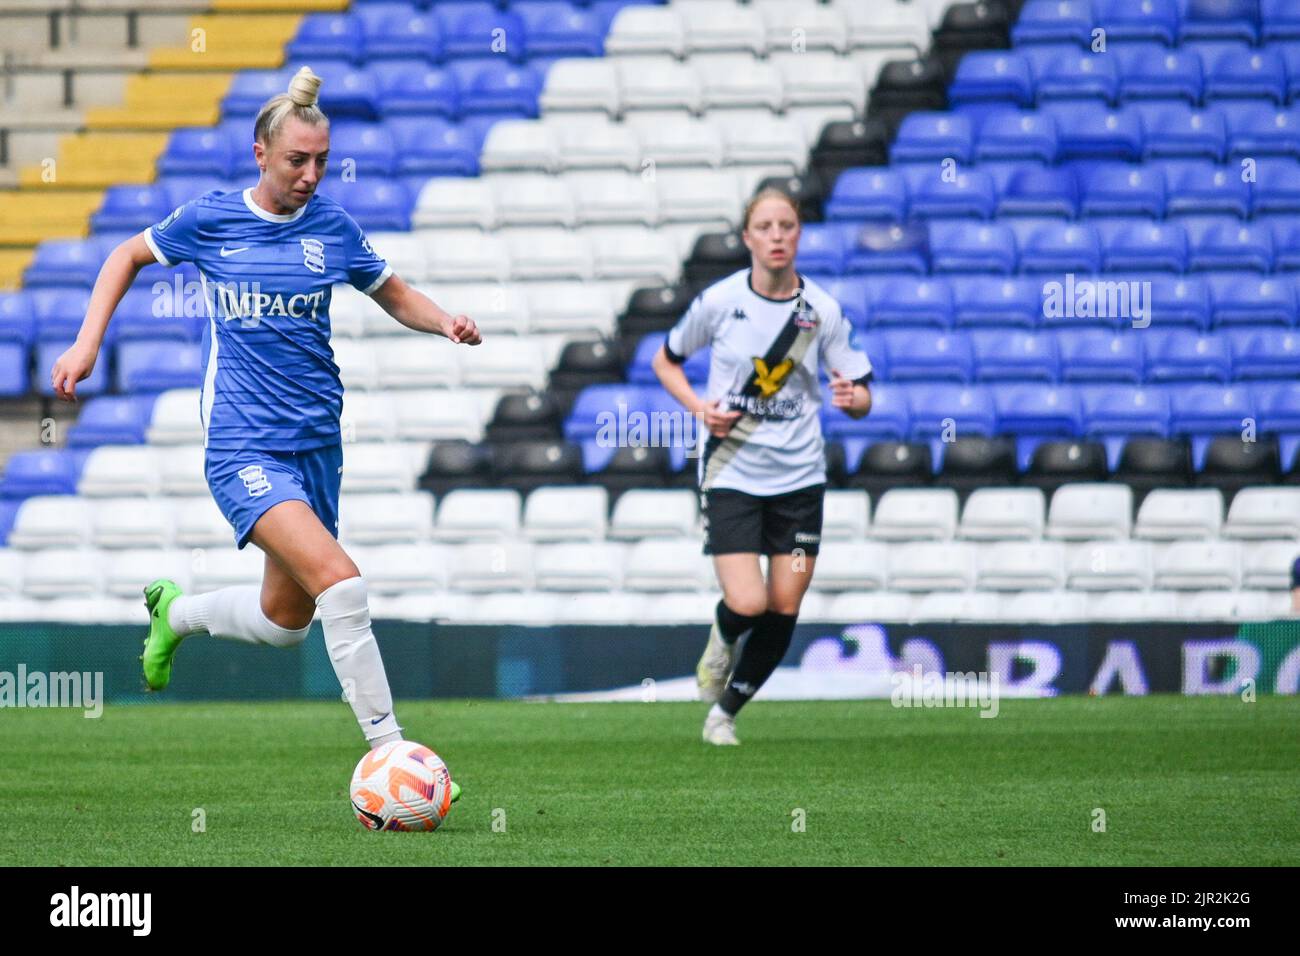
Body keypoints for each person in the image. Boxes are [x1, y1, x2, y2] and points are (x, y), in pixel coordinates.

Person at [50, 66, 481, 763]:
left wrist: (446, 323)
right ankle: (392, 755)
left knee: (286, 623)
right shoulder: (212, 219)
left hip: (316, 446)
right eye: (296, 161)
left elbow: (395, 294)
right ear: (261, 155)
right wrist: (87, 341)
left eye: (321, 161)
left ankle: (176, 614)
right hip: (244, 447)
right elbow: (127, 254)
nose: (311, 175)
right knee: (343, 584)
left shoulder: (333, 229)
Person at [652, 187, 873, 745]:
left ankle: (723, 714)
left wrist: (855, 400)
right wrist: (701, 409)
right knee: (748, 602)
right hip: (733, 470)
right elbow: (667, 359)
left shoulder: (820, 310)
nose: (777, 236)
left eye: (787, 226)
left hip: (800, 477)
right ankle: (720, 645)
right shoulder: (720, 301)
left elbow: (862, 391)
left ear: (798, 234)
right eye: (766, 227)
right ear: (748, 237)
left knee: (785, 604)